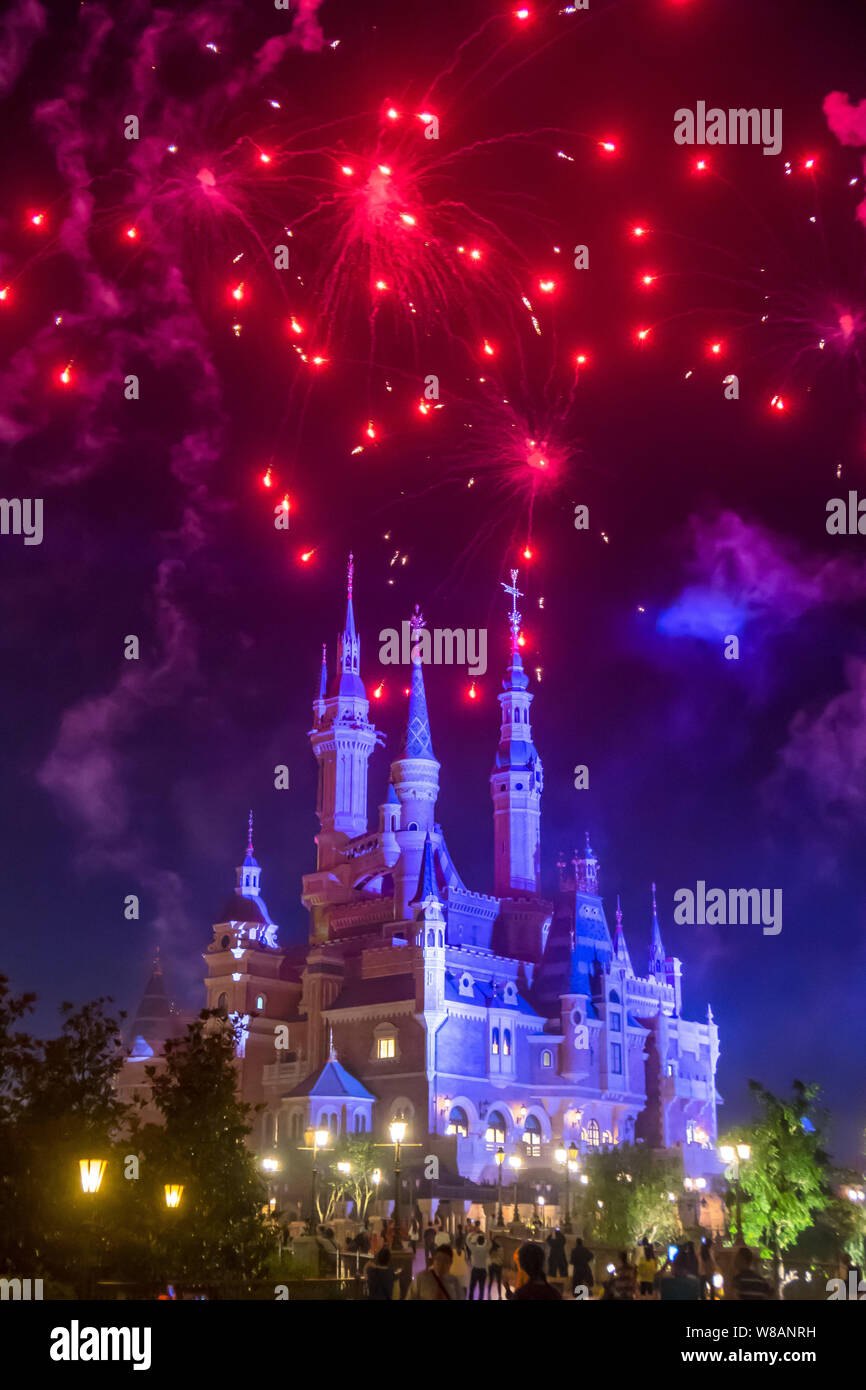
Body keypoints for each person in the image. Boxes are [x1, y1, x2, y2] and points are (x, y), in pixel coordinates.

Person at [468, 1229, 490, 1300]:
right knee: (482, 1288)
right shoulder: (486, 1249)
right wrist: (485, 1235)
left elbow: (467, 1241)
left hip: (475, 1270)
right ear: (484, 1242)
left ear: (477, 1241)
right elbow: (490, 1243)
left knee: (472, 1288)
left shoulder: (474, 1248)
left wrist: (472, 1233)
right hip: (483, 1271)